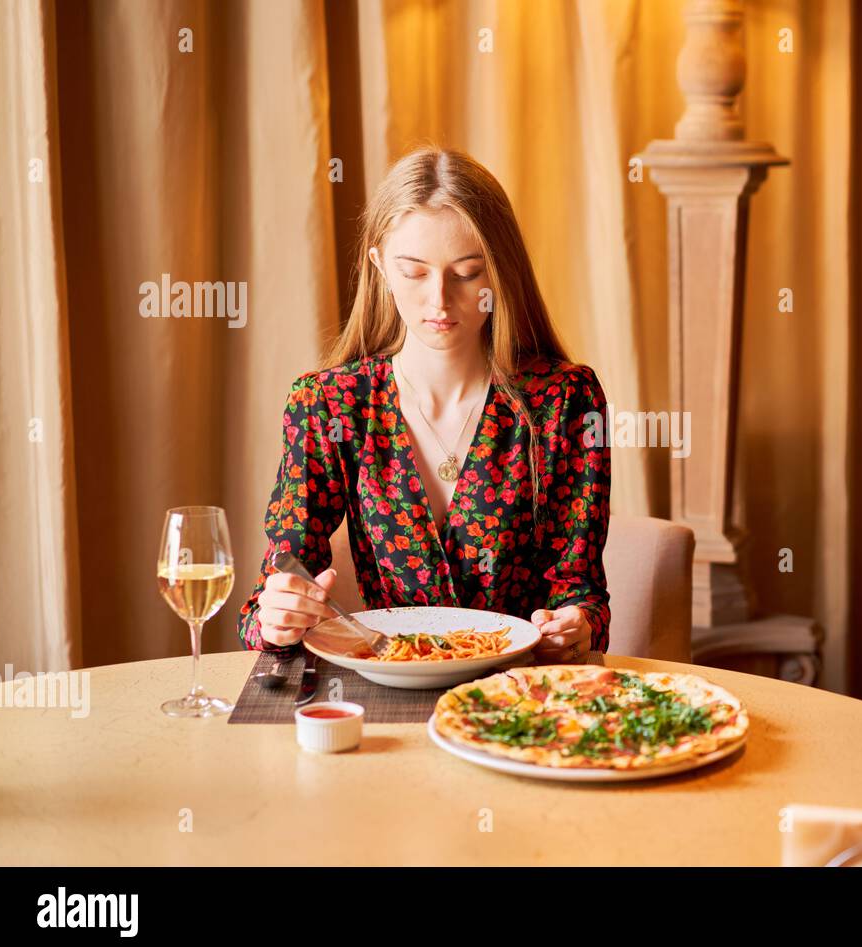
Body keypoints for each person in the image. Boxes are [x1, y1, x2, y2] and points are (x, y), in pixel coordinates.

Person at [236, 145, 610, 662]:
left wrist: (577, 623)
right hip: (383, 692)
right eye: (414, 272)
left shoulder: (565, 401)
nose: (439, 300)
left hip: (520, 693)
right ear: (381, 268)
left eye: (467, 272)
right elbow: (275, 588)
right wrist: (276, 618)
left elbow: (580, 590)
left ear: (500, 273)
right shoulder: (329, 405)